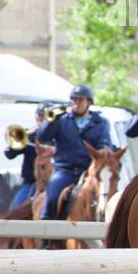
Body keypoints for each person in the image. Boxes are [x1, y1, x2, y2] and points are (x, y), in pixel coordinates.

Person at [35, 83, 113, 221]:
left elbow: (104, 143)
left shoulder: (100, 122)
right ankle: (46, 239)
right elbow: (43, 137)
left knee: (108, 193)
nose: (77, 103)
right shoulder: (61, 120)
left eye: (81, 100)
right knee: (52, 197)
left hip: (90, 170)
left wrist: (102, 151)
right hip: (65, 170)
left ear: (89, 102)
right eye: (74, 99)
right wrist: (50, 120)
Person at [5, 104, 47, 209]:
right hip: (31, 183)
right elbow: (9, 155)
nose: (41, 118)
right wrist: (12, 144)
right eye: (39, 115)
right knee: (15, 209)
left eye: (44, 115)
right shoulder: (29, 135)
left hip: (50, 181)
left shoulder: (58, 134)